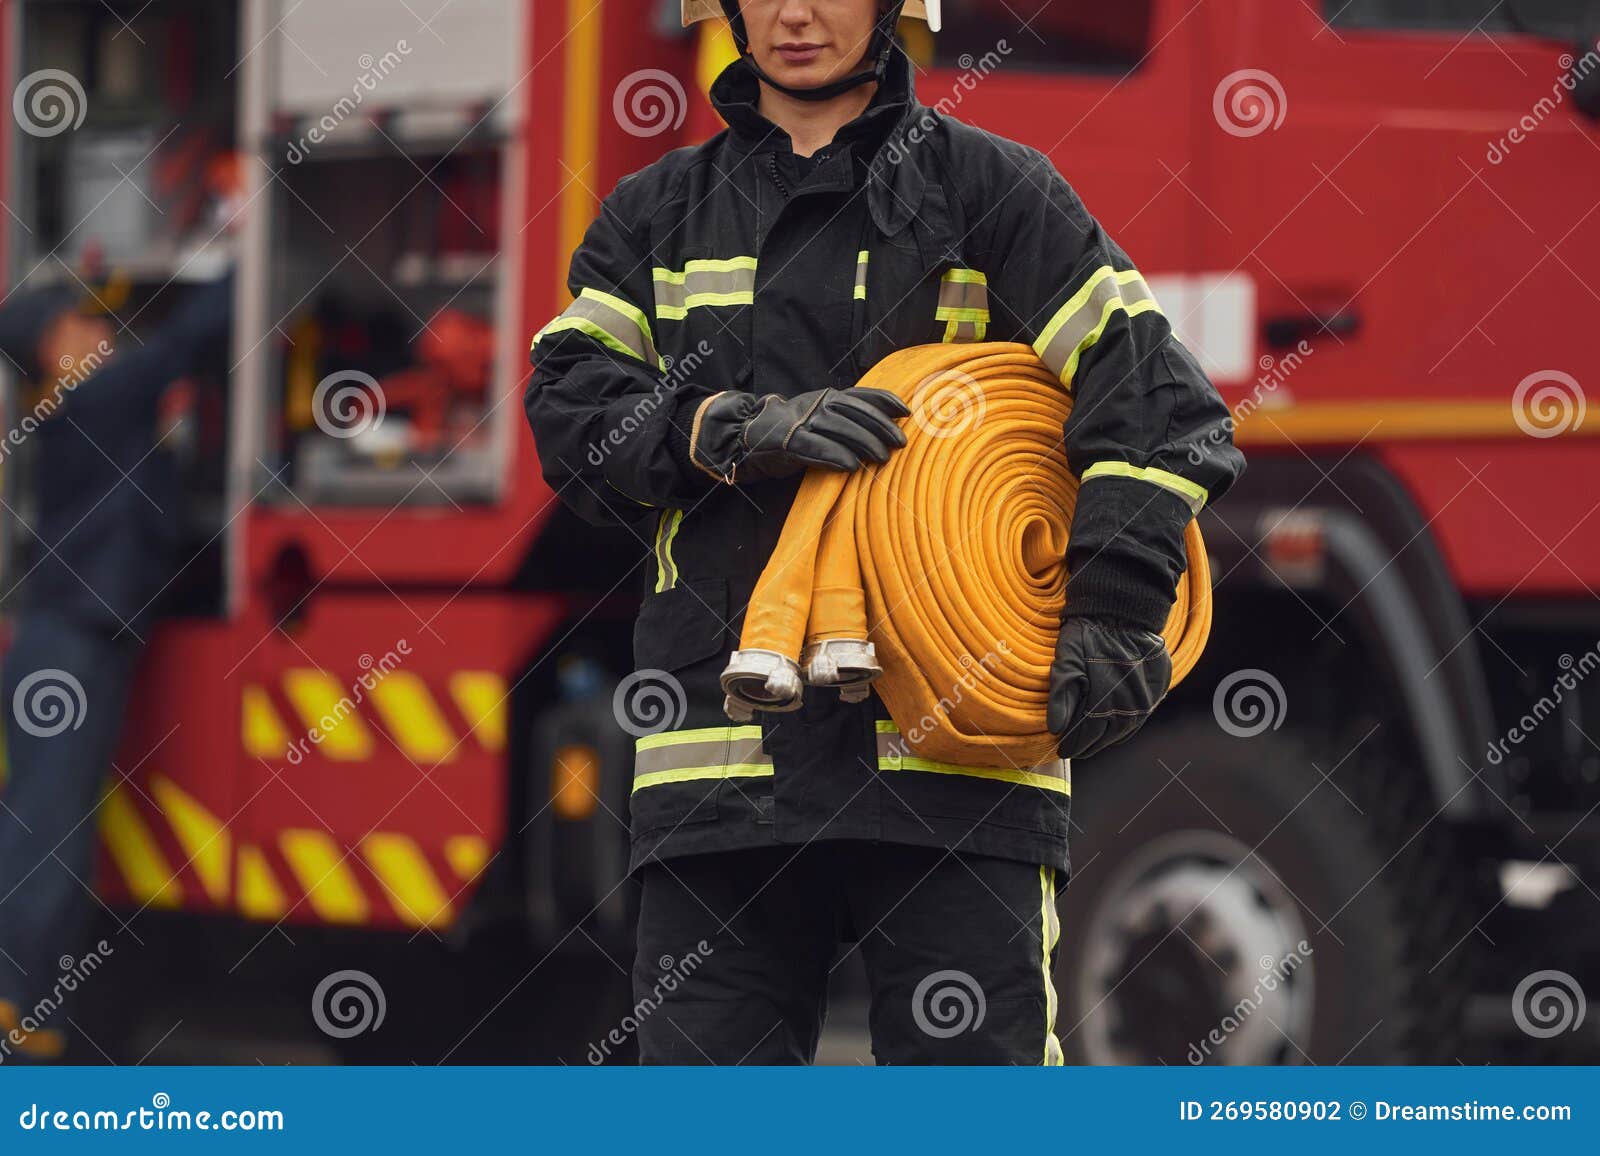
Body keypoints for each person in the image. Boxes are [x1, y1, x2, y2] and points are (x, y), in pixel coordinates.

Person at [524, 0, 1243, 1064]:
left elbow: (1156, 397)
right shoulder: (656, 215)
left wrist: (1115, 603)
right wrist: (728, 428)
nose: (794, 13)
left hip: (951, 761)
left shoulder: (991, 192)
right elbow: (570, 411)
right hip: (724, 778)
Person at [0, 273, 232, 1062]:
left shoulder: (85, 407)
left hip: (76, 635)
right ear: (52, 347)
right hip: (67, 643)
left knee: (56, 826)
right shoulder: (91, 398)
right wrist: (253, 252)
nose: (102, 335)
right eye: (84, 324)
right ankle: (14, 1003)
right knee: (48, 832)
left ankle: (28, 1009)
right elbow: (187, 340)